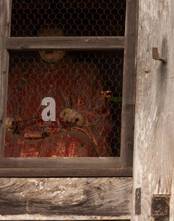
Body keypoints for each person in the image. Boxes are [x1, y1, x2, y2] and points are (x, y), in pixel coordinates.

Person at [4, 25, 114, 157]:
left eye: (54, 41)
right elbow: (9, 105)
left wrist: (80, 116)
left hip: (64, 132)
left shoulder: (83, 72)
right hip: (26, 132)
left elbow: (98, 112)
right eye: (43, 42)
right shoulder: (22, 74)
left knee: (73, 143)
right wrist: (9, 119)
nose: (49, 47)